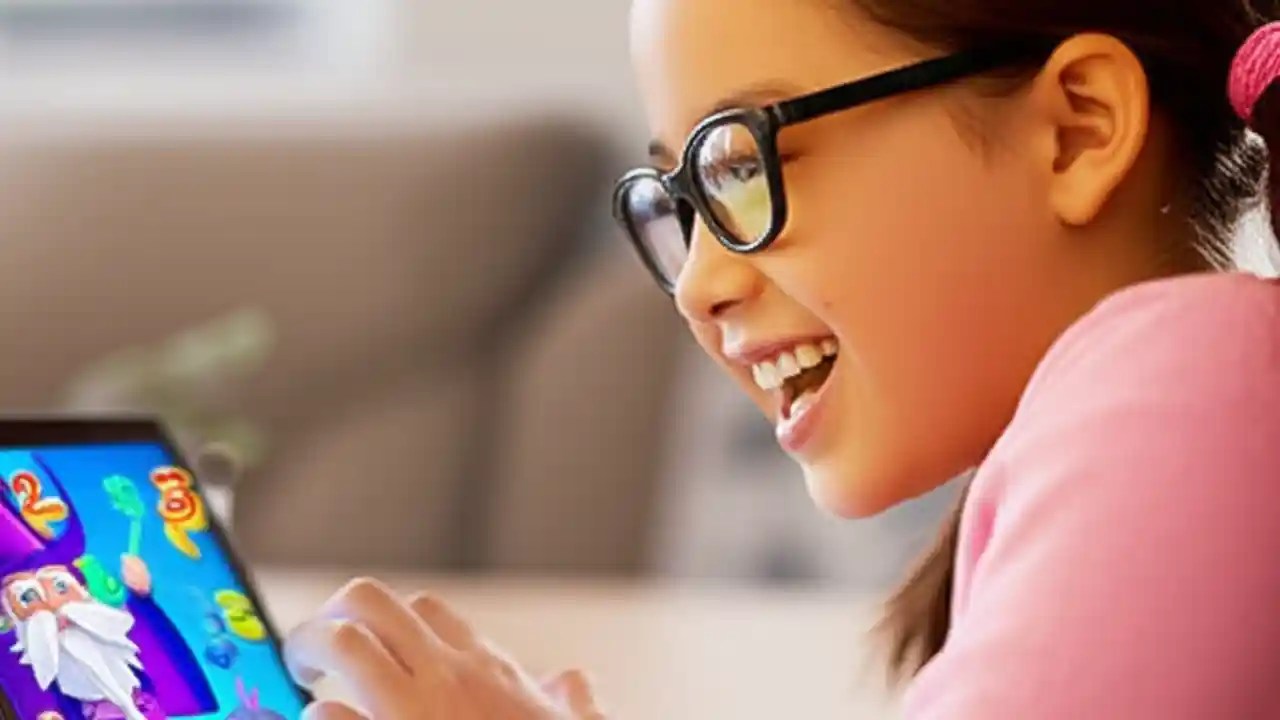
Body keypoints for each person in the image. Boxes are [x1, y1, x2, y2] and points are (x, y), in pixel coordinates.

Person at [283, 1, 1280, 717]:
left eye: (735, 166)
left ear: (1076, 129)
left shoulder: (1201, 383)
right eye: (677, 200)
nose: (692, 285)